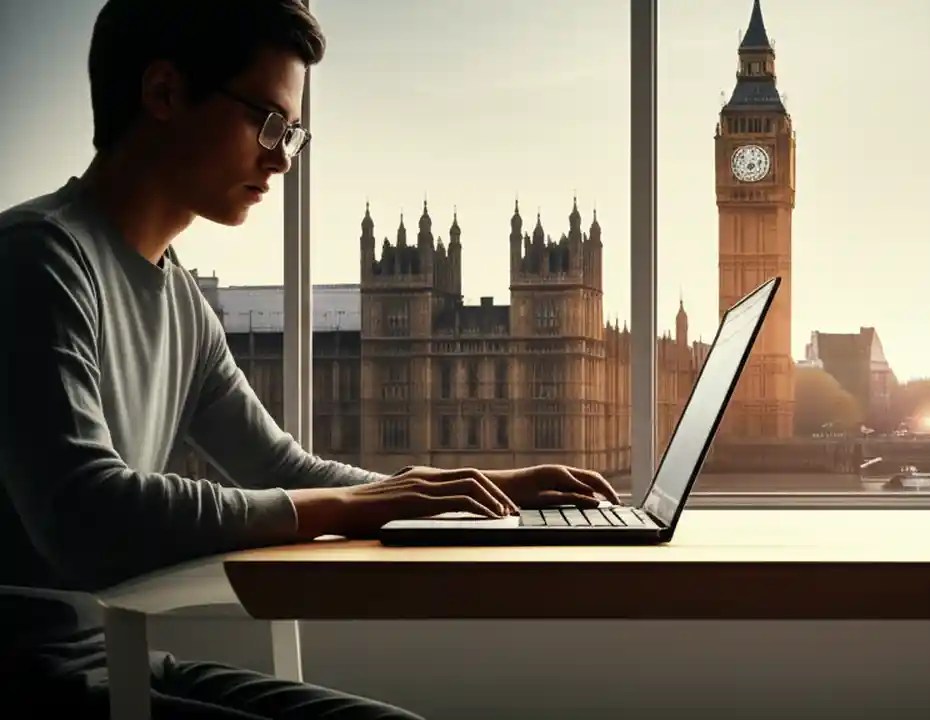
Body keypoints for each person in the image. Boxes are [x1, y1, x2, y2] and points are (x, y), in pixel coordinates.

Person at [0, 1, 620, 718]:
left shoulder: (178, 302)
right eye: (266, 120)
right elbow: (88, 514)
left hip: (119, 656)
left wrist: (487, 493)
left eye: (293, 133)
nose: (281, 156)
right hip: (32, 674)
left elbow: (287, 470)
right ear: (164, 93)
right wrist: (342, 506)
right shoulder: (37, 261)